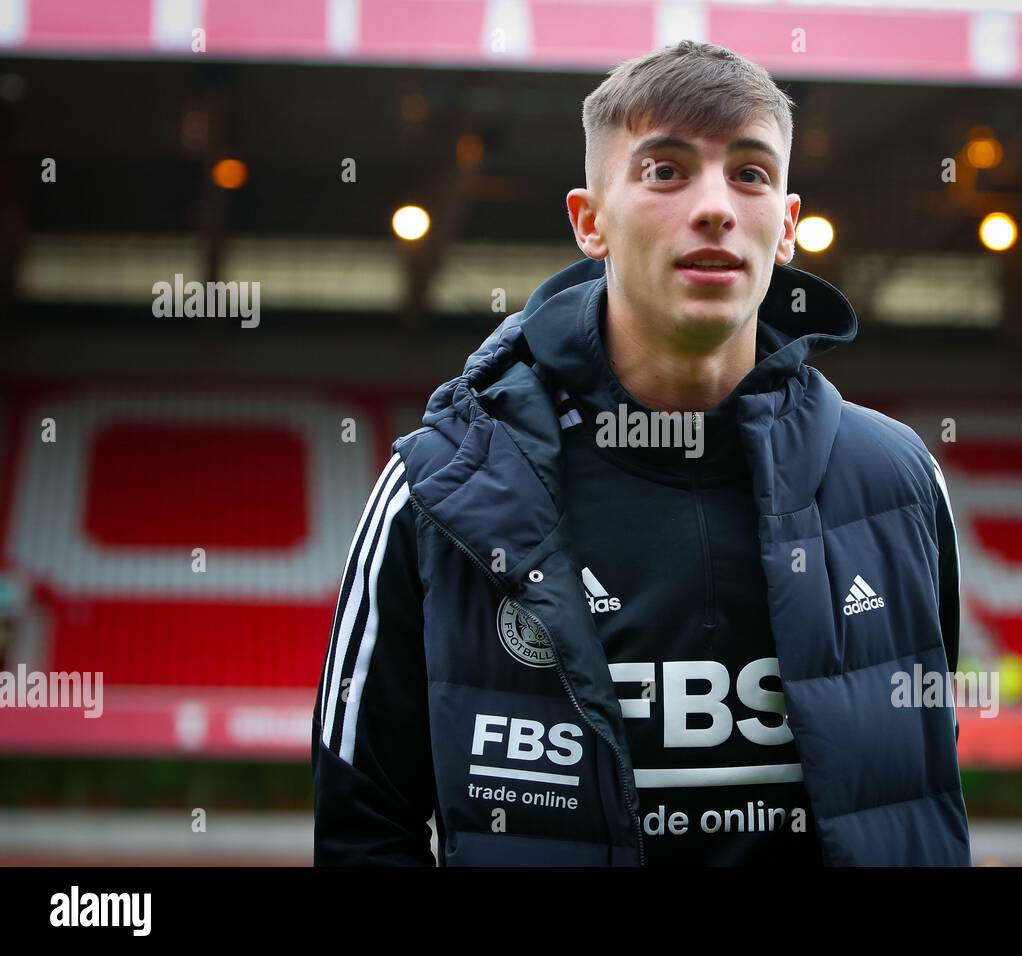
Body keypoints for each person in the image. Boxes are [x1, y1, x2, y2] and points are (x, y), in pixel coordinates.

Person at [312, 40, 969, 866]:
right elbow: (364, 827)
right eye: (665, 170)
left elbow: (918, 791)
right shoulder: (437, 488)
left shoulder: (899, 483)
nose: (716, 207)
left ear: (789, 225)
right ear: (590, 221)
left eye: (751, 174)